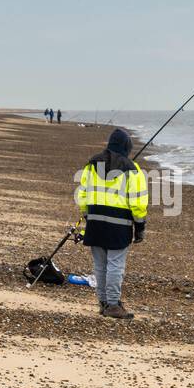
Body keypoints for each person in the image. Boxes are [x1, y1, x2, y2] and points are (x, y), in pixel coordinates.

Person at [75, 127, 147, 319]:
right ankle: (114, 305)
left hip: (96, 221)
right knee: (115, 264)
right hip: (119, 224)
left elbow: (82, 194)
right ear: (126, 147)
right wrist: (140, 227)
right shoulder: (132, 169)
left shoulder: (92, 164)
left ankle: (104, 303)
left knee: (100, 265)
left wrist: (87, 215)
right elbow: (138, 201)